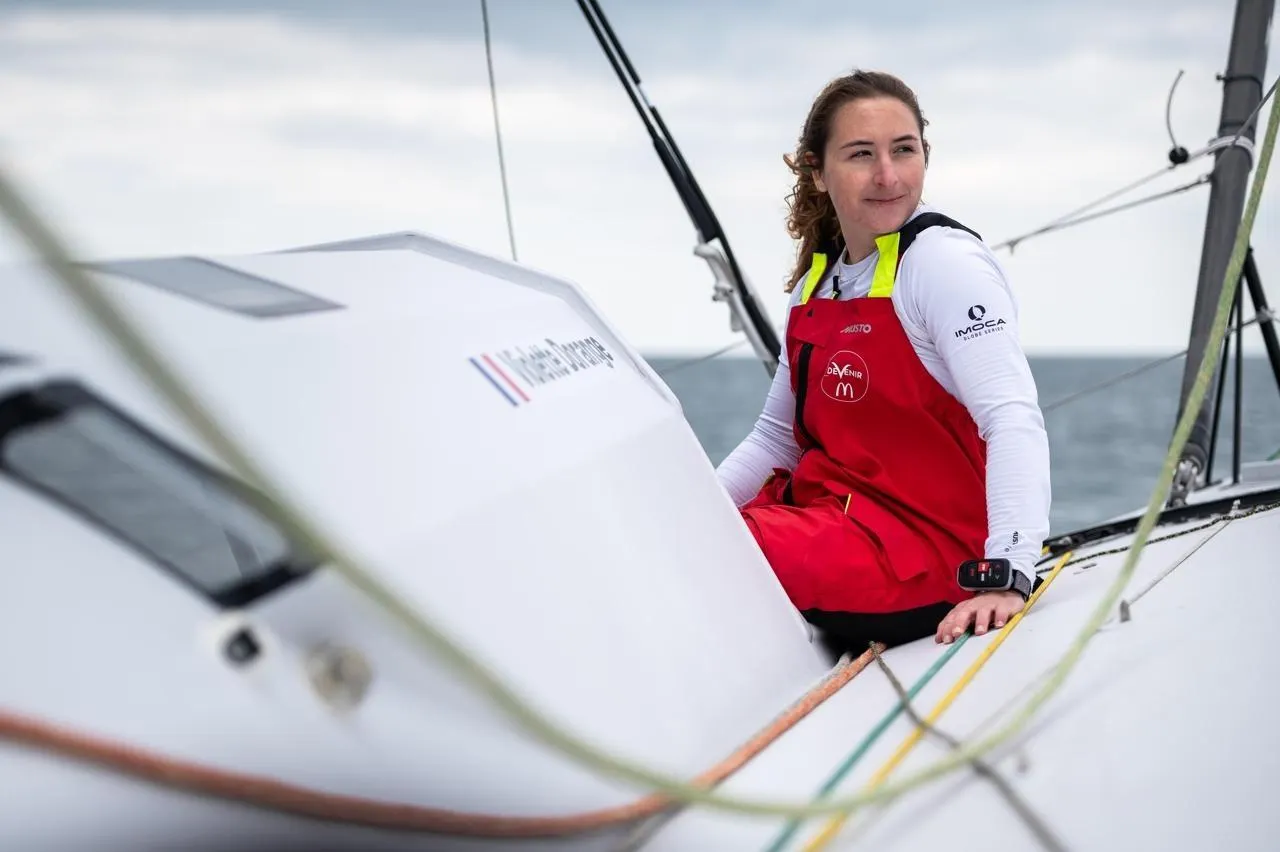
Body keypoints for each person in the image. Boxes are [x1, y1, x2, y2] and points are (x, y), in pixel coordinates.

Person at [716, 70, 1051, 650]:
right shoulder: (817, 284)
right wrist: (695, 505)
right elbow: (777, 438)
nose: (888, 175)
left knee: (710, 553)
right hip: (836, 524)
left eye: (904, 150)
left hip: (927, 555)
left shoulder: (942, 265)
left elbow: (1011, 416)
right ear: (817, 172)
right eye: (861, 155)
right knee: (692, 535)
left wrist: (1009, 573)